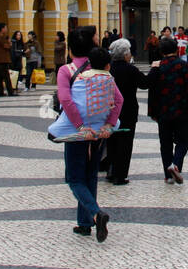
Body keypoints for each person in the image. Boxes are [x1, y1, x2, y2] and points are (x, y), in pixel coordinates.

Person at [53, 27, 119, 241]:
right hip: (99, 131)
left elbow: (65, 100)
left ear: (71, 50)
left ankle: (95, 213)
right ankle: (84, 223)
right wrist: (108, 125)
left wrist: (80, 125)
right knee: (90, 175)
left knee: (74, 178)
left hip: (77, 132)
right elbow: (118, 99)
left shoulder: (66, 69)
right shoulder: (99, 68)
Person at [147, 35, 188, 184]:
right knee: (182, 141)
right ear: (176, 49)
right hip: (182, 110)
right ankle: (176, 165)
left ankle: (168, 174)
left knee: (165, 143)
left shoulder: (158, 67)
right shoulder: (184, 66)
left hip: (163, 111)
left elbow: (152, 90)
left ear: (161, 51)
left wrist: (152, 111)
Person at [103, 38, 149, 186]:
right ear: (125, 54)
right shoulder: (131, 69)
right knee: (125, 143)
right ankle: (120, 175)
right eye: (129, 52)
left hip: (110, 111)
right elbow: (144, 83)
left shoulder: (108, 69)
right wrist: (155, 69)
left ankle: (110, 170)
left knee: (112, 141)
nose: (130, 54)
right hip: (127, 111)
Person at [0, 24, 14, 97]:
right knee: (6, 77)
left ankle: (0, 92)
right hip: (3, 60)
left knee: (0, 77)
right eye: (5, 28)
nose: (6, 29)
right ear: (2, 29)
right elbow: (6, 46)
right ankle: (10, 92)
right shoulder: (1, 37)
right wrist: (9, 43)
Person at [8, 26, 26, 95]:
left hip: (19, 62)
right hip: (13, 61)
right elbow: (14, 52)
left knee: (17, 76)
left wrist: (23, 52)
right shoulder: (13, 43)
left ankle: (15, 88)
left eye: (20, 35)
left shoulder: (21, 43)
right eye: (17, 35)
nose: (19, 36)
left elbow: (22, 51)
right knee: (13, 76)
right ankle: (13, 88)